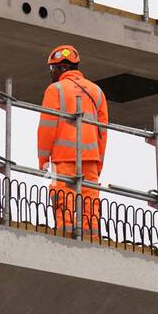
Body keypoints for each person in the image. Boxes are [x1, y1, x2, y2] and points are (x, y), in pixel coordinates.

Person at [38, 45, 109, 235]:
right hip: (91, 159)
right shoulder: (97, 92)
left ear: (60, 68)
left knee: (63, 199)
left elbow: (47, 128)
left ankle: (66, 235)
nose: (51, 74)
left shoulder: (55, 90)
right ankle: (91, 237)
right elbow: (103, 132)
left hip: (63, 158)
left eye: (52, 69)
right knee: (90, 201)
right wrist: (99, 161)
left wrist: (43, 160)